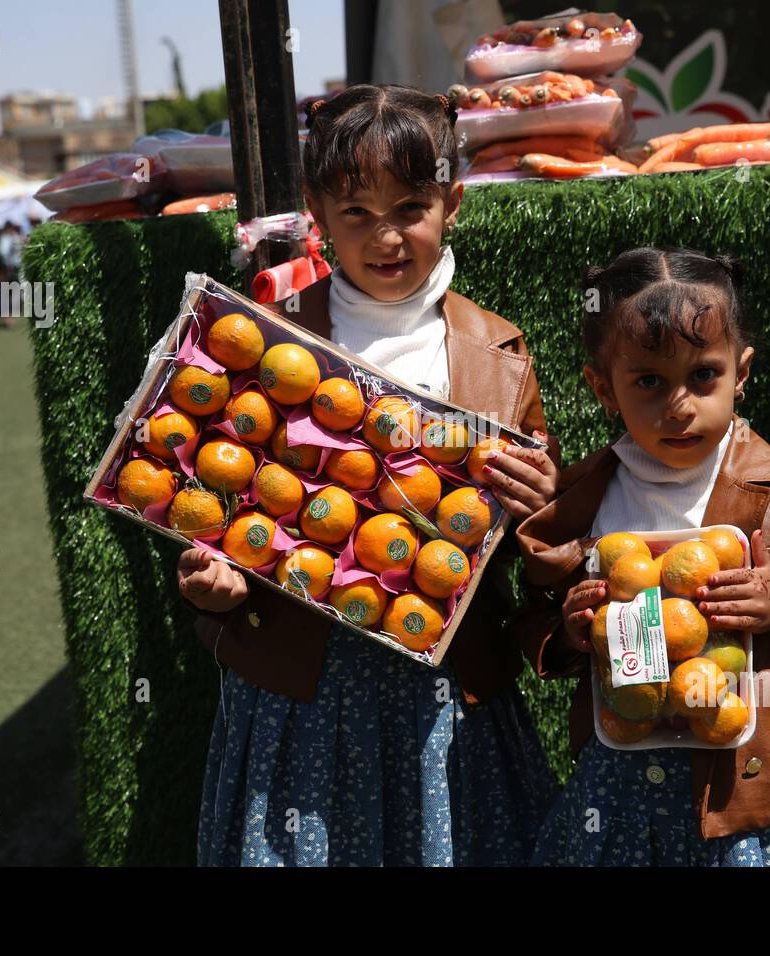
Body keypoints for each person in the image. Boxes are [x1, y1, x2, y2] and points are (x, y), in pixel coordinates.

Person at [176, 84, 560, 866]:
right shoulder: (264, 342)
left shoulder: (499, 355)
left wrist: (544, 513)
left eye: (411, 207)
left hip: (448, 698)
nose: (386, 236)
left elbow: (525, 551)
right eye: (356, 213)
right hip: (300, 690)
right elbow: (215, 496)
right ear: (317, 211)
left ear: (452, 203)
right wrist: (218, 582)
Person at [514, 247, 770, 865]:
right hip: (618, 801)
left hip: (750, 806)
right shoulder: (582, 499)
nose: (680, 404)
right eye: (649, 382)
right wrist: (570, 630)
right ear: (602, 386)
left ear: (741, 372)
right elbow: (531, 614)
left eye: (703, 375)